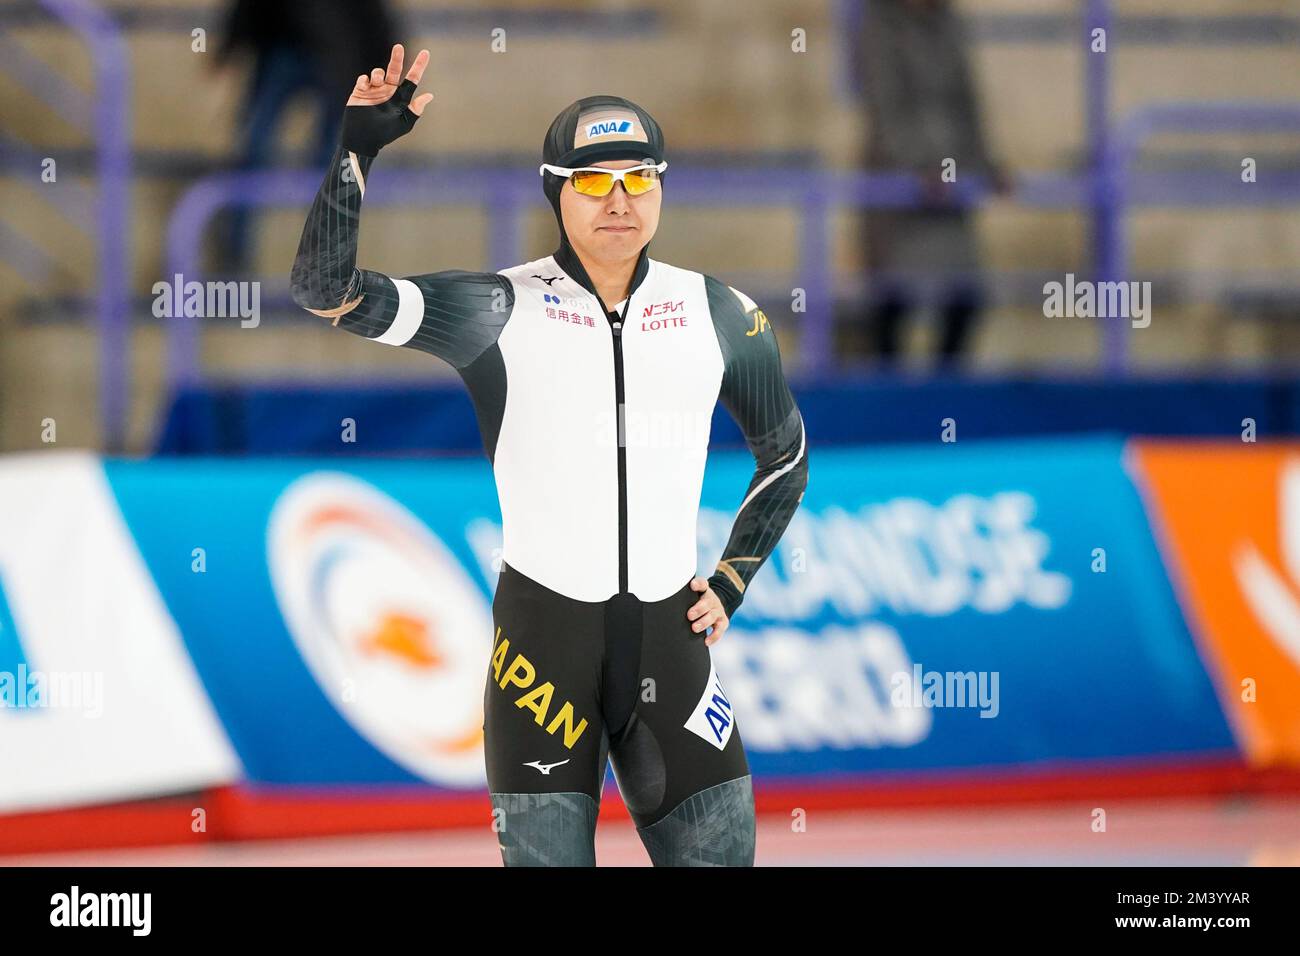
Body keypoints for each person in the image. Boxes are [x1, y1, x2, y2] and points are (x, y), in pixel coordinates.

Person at [290, 45, 809, 867]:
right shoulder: (494, 308)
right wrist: (356, 151)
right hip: (542, 653)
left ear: (662, 188)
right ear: (555, 191)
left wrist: (736, 575)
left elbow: (785, 455)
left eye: (639, 179)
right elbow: (327, 292)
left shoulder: (721, 313)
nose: (618, 200)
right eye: (592, 181)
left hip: (670, 648)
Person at [855, 0, 1009, 368]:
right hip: (898, 190)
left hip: (951, 191)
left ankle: (945, 395)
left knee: (964, 298)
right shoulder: (879, 26)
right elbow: (884, 108)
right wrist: (920, 168)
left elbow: (968, 103)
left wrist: (986, 165)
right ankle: (891, 403)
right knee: (893, 301)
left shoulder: (950, 23)